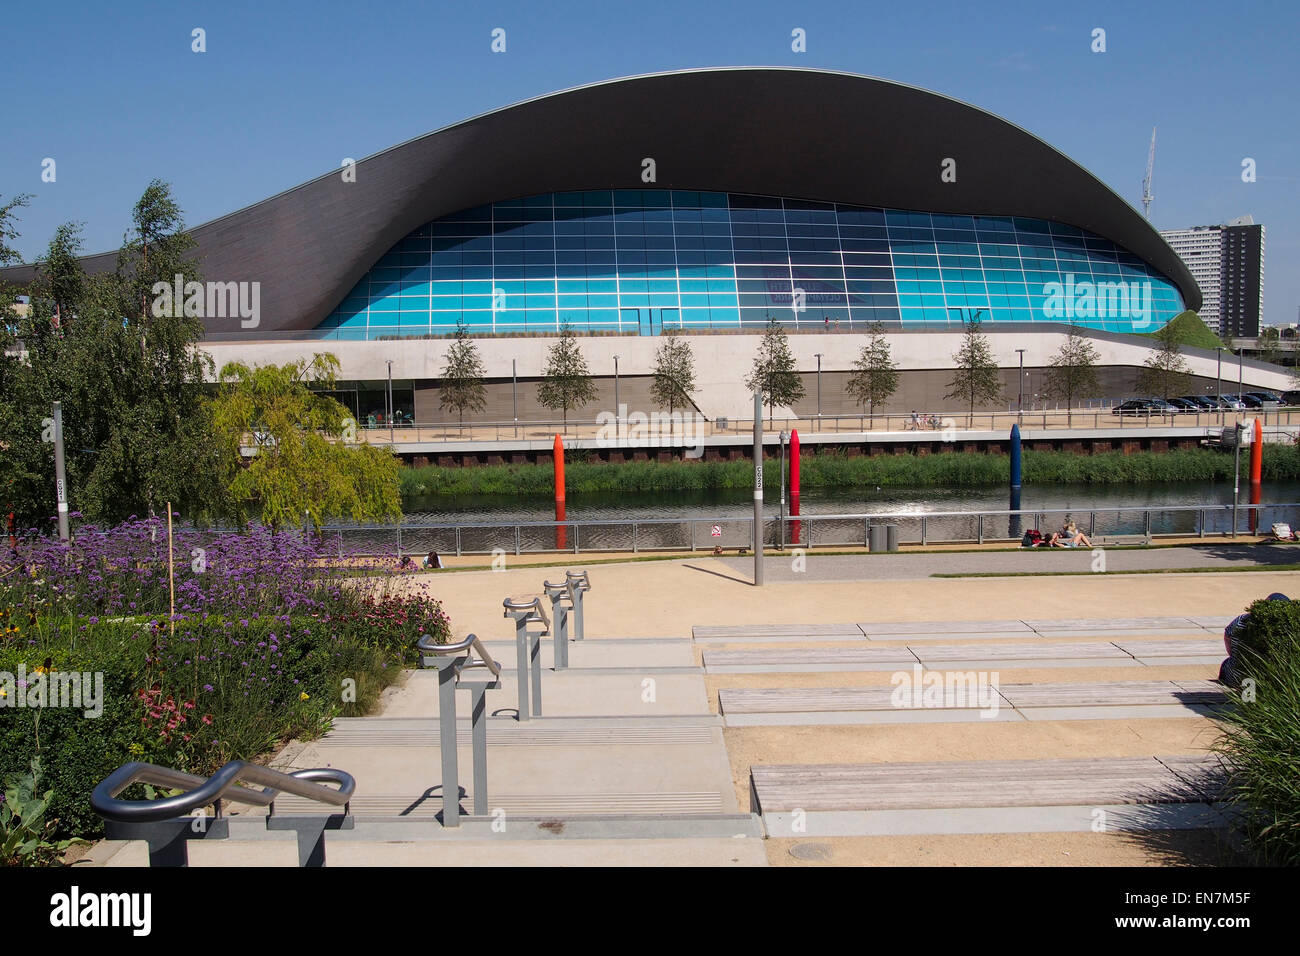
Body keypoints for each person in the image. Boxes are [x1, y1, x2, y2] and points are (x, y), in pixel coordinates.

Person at [1220, 592, 1289, 687]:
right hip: (1270, 681)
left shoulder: (1241, 620)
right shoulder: (1287, 628)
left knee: (1227, 663)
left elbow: (1228, 640)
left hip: (1237, 678)